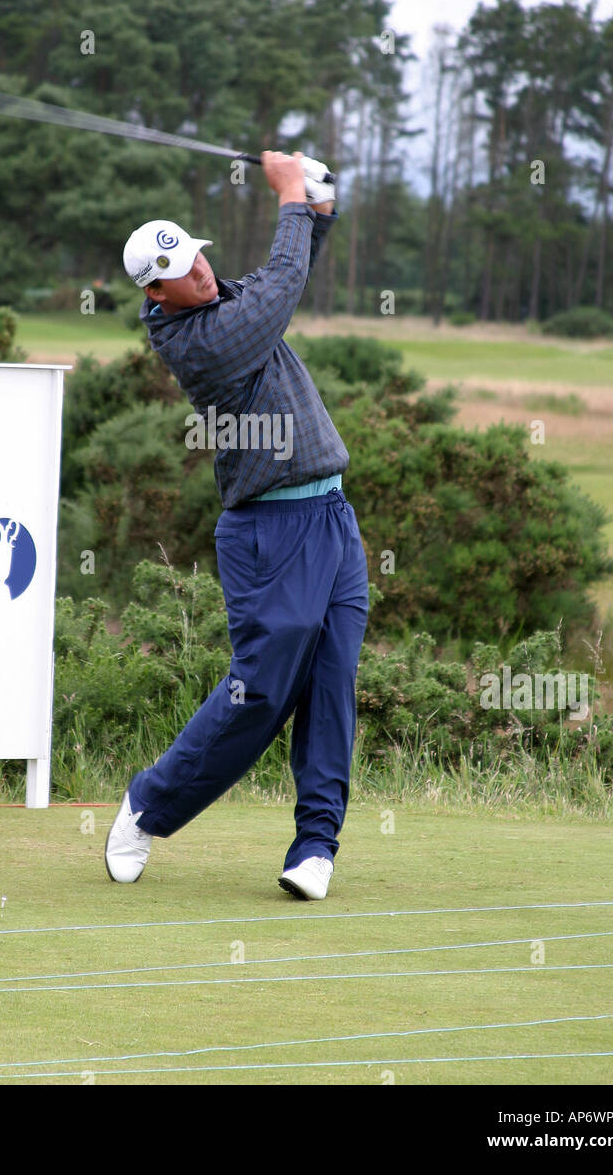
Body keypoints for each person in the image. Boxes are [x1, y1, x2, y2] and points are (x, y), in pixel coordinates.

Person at [105, 150, 369, 900]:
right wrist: (287, 196)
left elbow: (295, 261)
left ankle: (315, 845)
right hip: (267, 533)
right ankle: (149, 805)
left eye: (196, 257)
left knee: (330, 680)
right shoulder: (201, 342)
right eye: (181, 273)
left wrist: (318, 204)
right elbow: (282, 285)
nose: (200, 274)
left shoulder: (222, 301)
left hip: (330, 517)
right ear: (156, 292)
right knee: (261, 694)